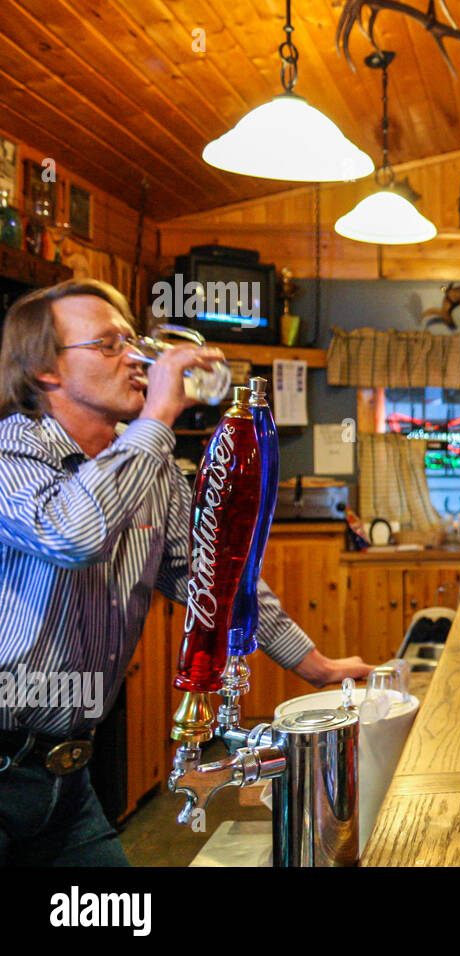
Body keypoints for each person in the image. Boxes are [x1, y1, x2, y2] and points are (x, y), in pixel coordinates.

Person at [0, 279, 372, 866]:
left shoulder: (147, 468)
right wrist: (157, 417)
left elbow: (217, 578)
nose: (136, 358)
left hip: (64, 775)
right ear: (46, 370)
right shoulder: (11, 452)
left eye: (132, 340)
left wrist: (315, 666)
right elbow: (71, 533)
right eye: (107, 345)